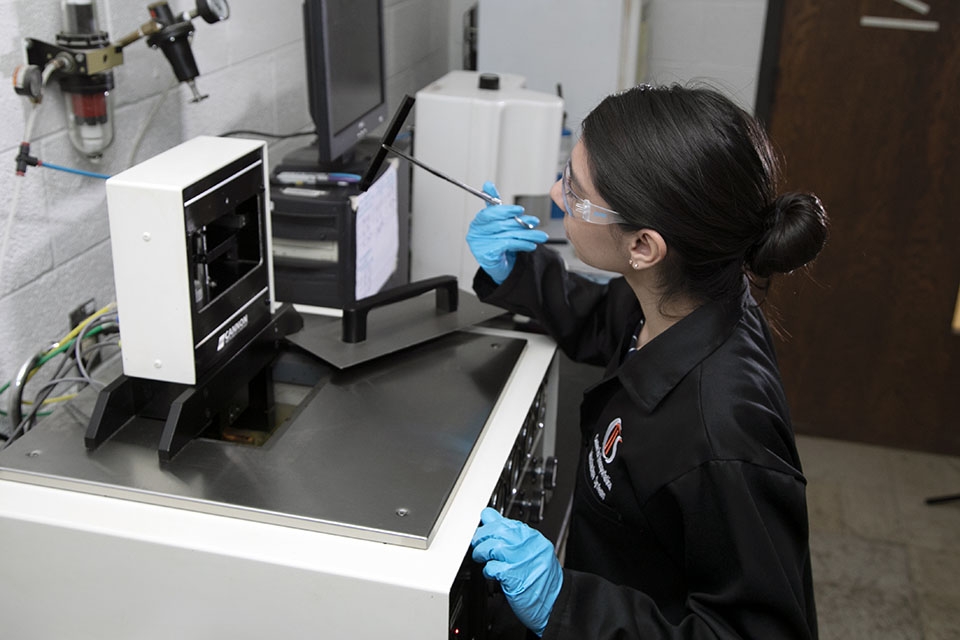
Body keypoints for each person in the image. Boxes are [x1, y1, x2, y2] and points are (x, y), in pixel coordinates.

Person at [466, 84, 827, 639]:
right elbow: (601, 320)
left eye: (575, 191)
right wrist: (515, 271)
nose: (557, 195)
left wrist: (565, 605)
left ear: (643, 246)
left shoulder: (721, 435)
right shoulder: (687, 296)